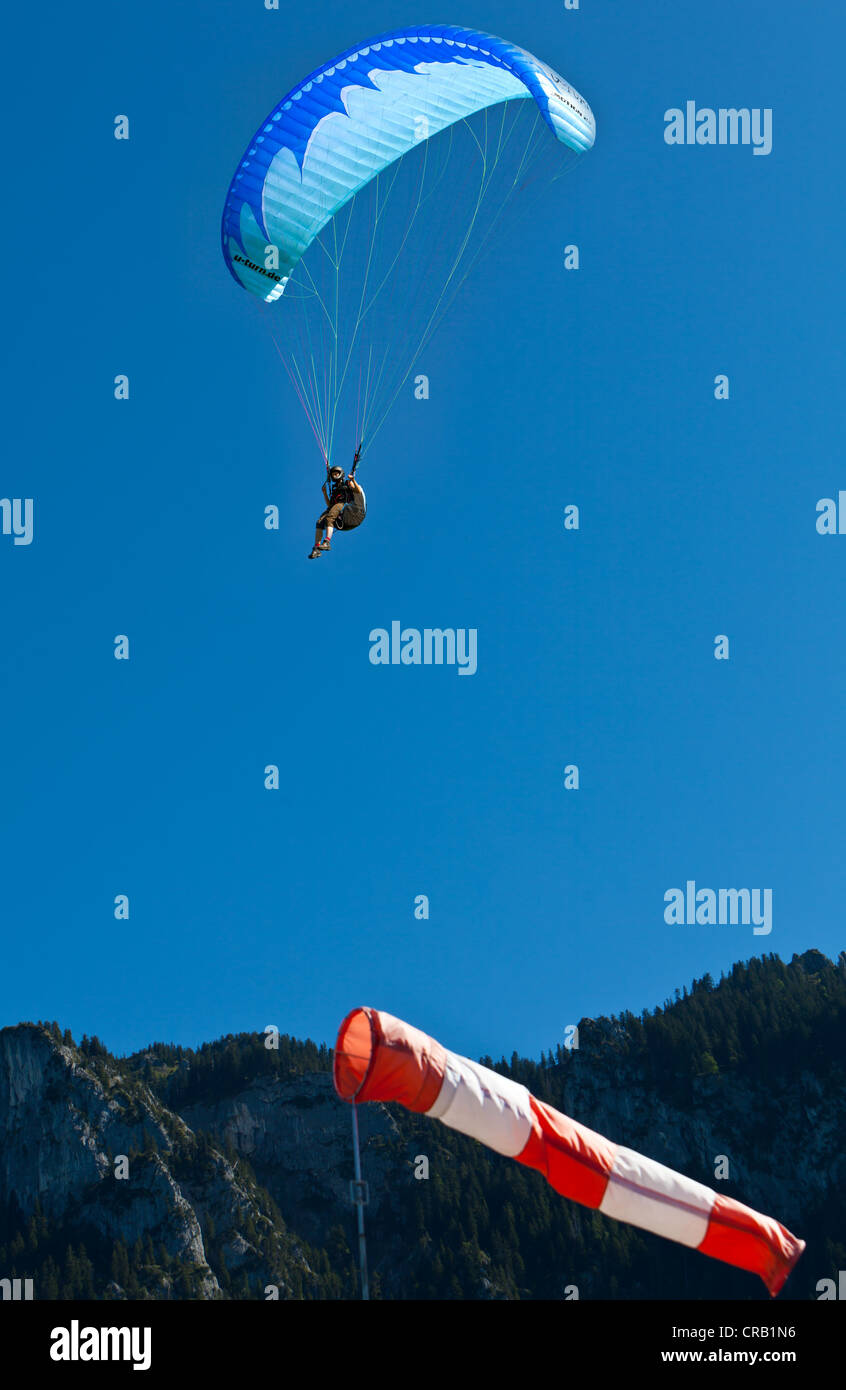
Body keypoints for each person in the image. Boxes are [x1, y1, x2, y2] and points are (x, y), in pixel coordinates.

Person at [308, 453, 365, 558]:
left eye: (336, 473)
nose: (334, 475)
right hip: (335, 507)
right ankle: (316, 549)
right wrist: (324, 493)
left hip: (343, 505)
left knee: (330, 517)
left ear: (341, 474)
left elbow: (358, 491)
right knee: (319, 522)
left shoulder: (347, 483)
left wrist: (353, 480)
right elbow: (330, 505)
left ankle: (327, 542)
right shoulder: (334, 490)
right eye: (333, 474)